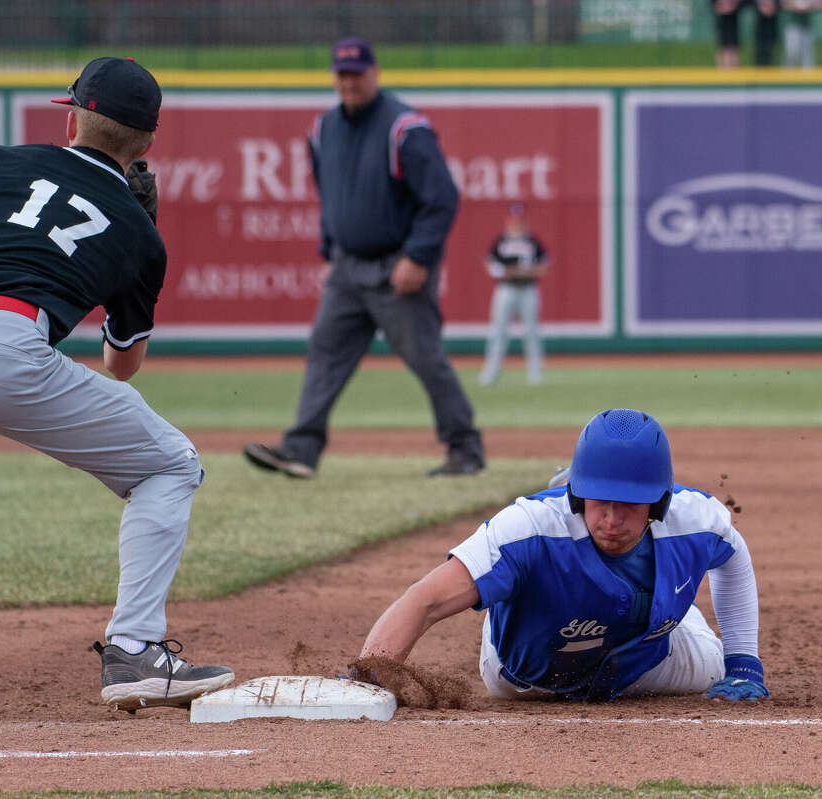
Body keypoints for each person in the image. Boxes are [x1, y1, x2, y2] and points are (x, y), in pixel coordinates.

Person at [0, 56, 233, 713]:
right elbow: (123, 364)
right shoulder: (139, 230)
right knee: (168, 465)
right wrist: (133, 242)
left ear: (70, 118)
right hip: (9, 351)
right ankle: (135, 651)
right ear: (147, 144)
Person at [352, 409, 769, 703]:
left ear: (659, 502)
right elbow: (424, 600)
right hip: (523, 677)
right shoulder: (526, 529)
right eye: (598, 498)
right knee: (505, 569)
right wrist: (368, 682)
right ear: (576, 493)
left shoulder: (695, 519)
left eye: (630, 503)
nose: (611, 517)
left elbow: (736, 556)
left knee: (714, 666)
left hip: (643, 666)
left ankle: (672, 610)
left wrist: (744, 662)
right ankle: (515, 586)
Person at [243, 37, 484, 479]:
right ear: (334, 76)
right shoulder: (323, 130)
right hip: (348, 267)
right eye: (342, 74)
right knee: (325, 352)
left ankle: (465, 450)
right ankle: (301, 450)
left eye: (357, 73)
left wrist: (418, 256)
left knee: (425, 357)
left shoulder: (404, 129)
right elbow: (331, 196)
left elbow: (442, 197)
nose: (349, 81)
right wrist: (329, 249)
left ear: (374, 74)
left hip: (398, 267)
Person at [479, 203, 549, 387]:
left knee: (531, 332)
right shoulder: (501, 241)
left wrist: (526, 272)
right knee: (498, 331)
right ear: (508, 220)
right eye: (513, 219)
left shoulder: (532, 241)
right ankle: (491, 372)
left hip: (528, 289)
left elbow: (543, 266)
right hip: (506, 289)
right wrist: (504, 272)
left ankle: (535, 374)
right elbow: (489, 264)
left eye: (519, 219)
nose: (516, 223)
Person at [711, 0, 780, 69]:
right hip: (725, 25)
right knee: (725, 46)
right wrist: (720, 5)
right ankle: (725, 71)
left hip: (767, 27)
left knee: (766, 49)